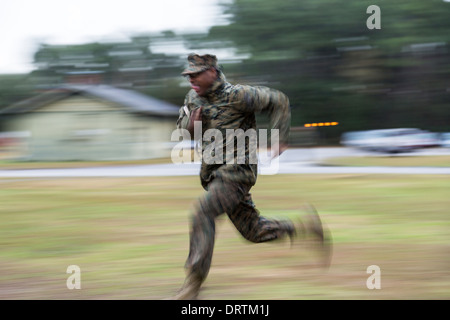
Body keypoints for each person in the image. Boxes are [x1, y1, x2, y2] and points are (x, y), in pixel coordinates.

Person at [171, 53, 331, 300]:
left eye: (196, 73)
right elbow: (182, 129)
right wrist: (191, 126)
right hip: (214, 174)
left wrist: (280, 137)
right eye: (188, 74)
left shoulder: (237, 95)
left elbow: (279, 101)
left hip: (237, 172)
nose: (191, 78)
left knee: (203, 213)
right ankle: (305, 228)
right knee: (253, 231)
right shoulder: (192, 98)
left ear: (212, 72)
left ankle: (193, 285)